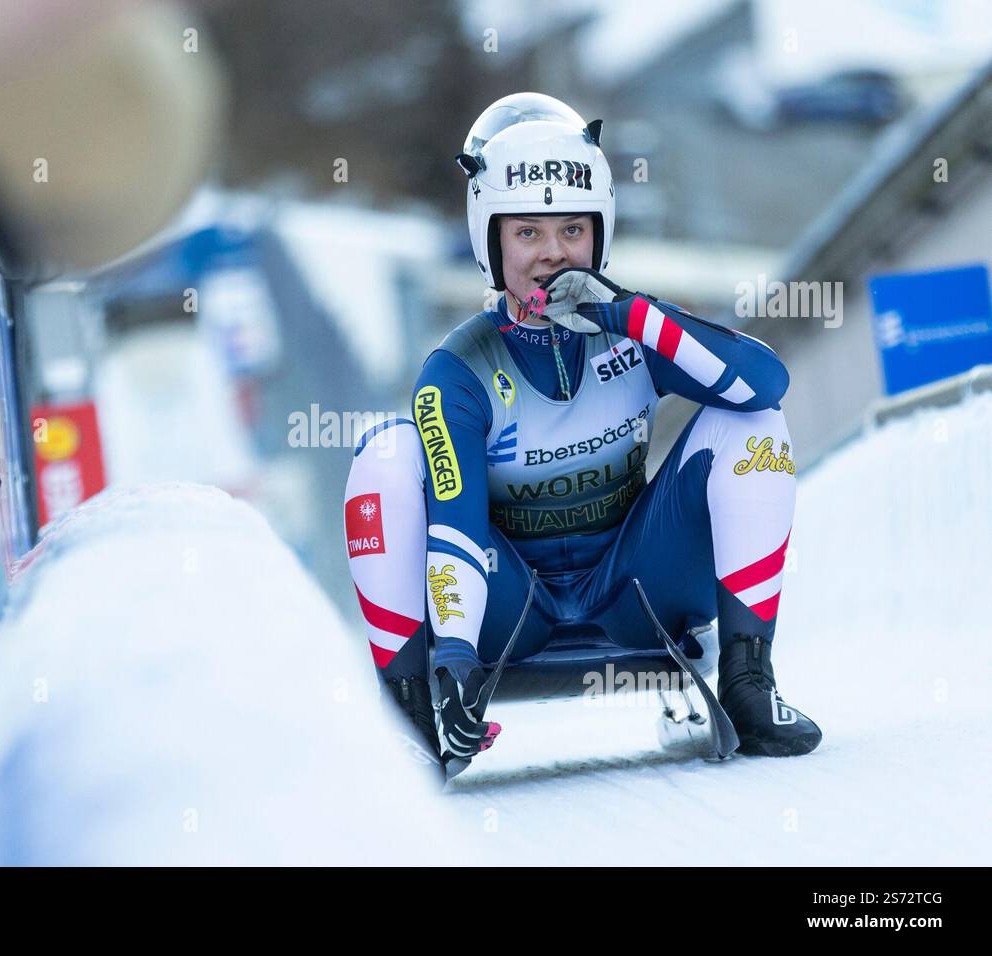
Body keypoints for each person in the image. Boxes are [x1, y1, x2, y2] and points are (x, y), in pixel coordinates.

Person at [343, 92, 821, 767]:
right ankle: (414, 714)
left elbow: (764, 383)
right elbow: (455, 522)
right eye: (528, 233)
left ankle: (749, 683)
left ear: (600, 233)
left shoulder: (634, 326)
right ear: (491, 239)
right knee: (385, 455)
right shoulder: (456, 369)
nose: (553, 256)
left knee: (753, 424)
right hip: (508, 610)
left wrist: (628, 315)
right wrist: (452, 653)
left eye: (572, 230)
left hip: (636, 589)